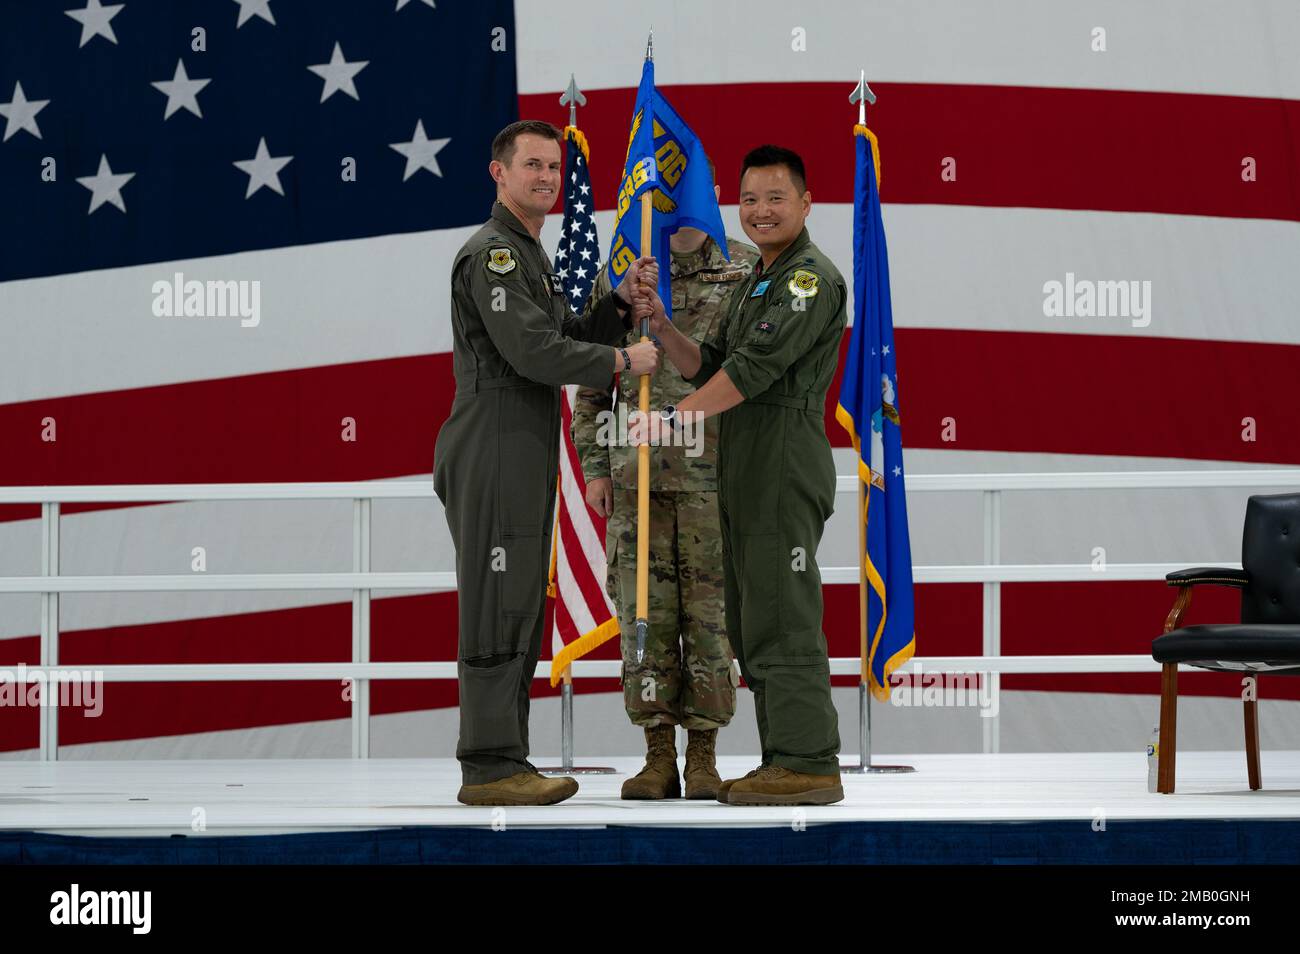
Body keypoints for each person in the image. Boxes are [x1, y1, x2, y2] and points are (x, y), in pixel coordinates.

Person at [433, 120, 660, 806]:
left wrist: (617, 307)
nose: (546, 178)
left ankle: (506, 758)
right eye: (531, 165)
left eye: (554, 169)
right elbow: (532, 352)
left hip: (520, 444)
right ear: (497, 173)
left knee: (521, 601)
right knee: (499, 603)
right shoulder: (495, 256)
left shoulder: (530, 253)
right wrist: (624, 359)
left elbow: (560, 335)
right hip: (496, 442)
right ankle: (491, 764)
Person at [631, 145, 847, 806]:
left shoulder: (807, 278)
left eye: (775, 198)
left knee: (783, 612)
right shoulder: (761, 276)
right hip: (747, 464)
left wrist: (675, 418)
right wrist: (664, 328)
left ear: (806, 204)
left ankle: (810, 761)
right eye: (749, 199)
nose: (759, 211)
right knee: (753, 616)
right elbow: (713, 361)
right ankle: (782, 756)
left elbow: (750, 374)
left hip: (782, 459)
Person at [571, 161, 758, 799]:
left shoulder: (744, 268)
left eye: (689, 193)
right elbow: (592, 383)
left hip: (714, 482)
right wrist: (596, 469)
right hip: (637, 483)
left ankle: (704, 754)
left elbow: (751, 374)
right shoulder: (625, 270)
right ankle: (657, 756)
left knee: (711, 623)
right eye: (663, 194)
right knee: (644, 621)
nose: (676, 205)